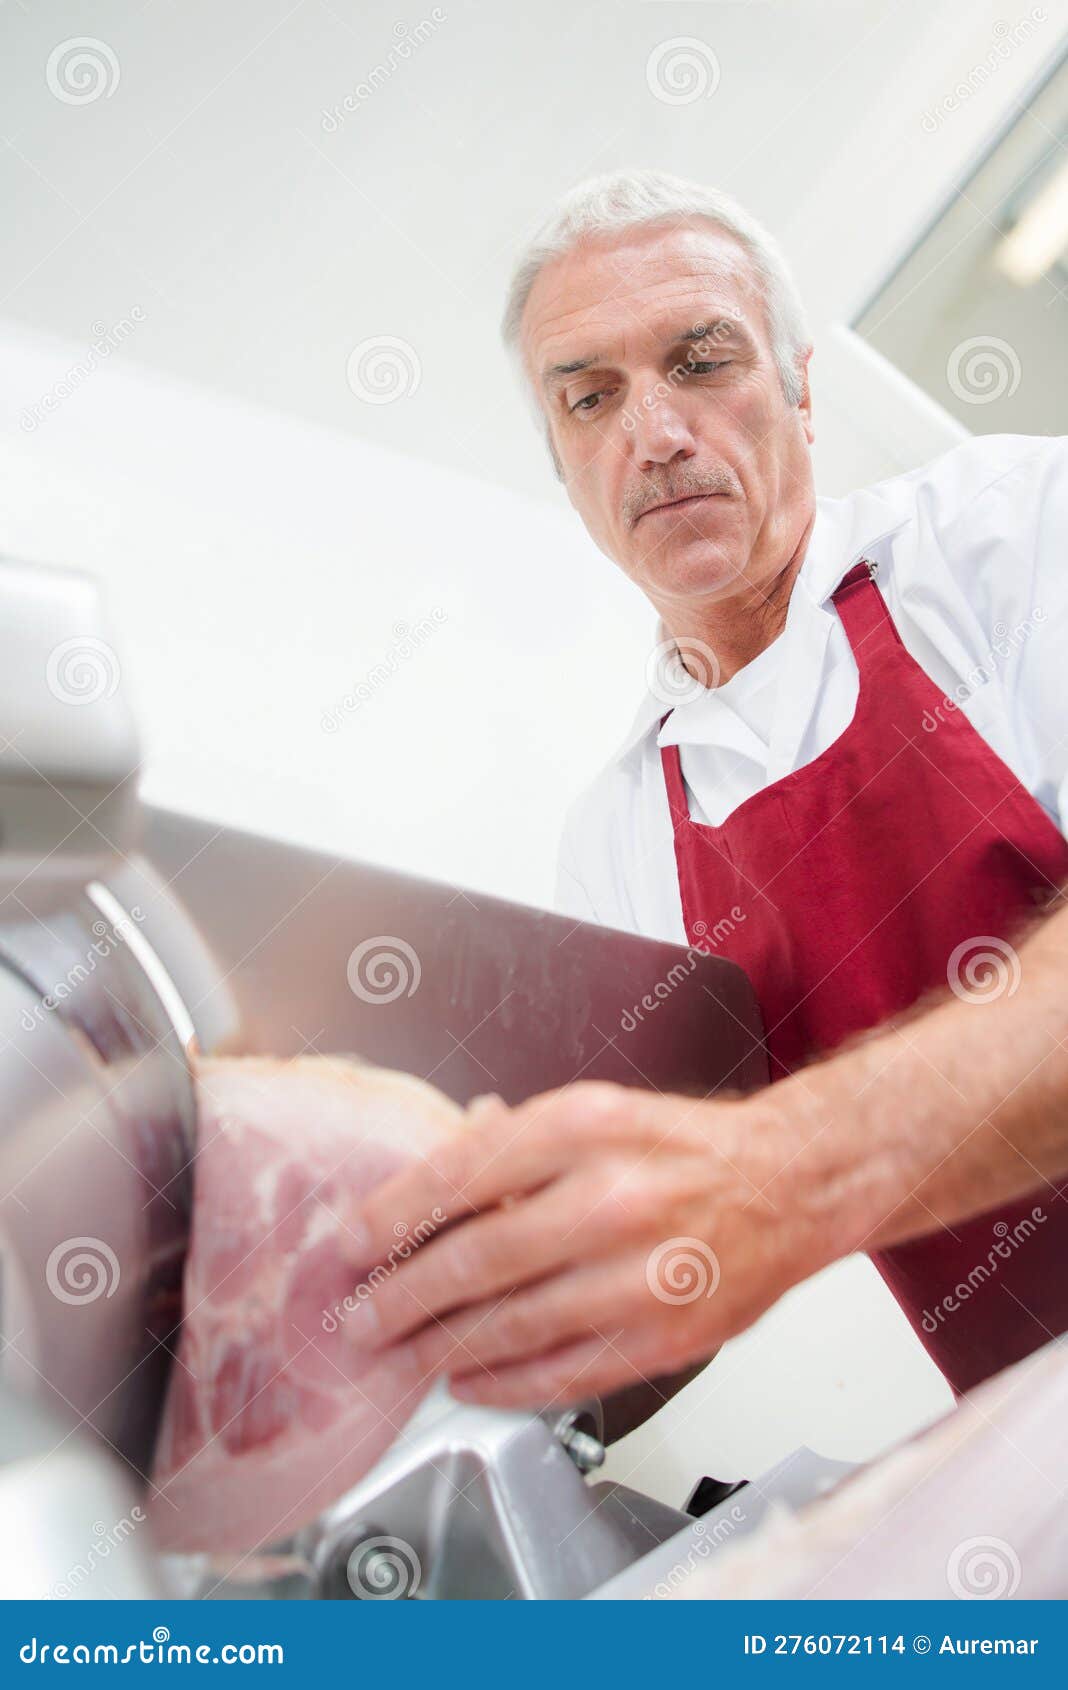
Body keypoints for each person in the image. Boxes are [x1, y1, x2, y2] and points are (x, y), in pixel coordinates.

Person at [349, 169, 1068, 1421]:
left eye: (700, 360)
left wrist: (780, 1173)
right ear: (565, 464)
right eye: (590, 398)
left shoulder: (1008, 541)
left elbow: (753, 1188)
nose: (657, 433)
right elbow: (666, 1248)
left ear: (797, 383)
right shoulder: (622, 840)